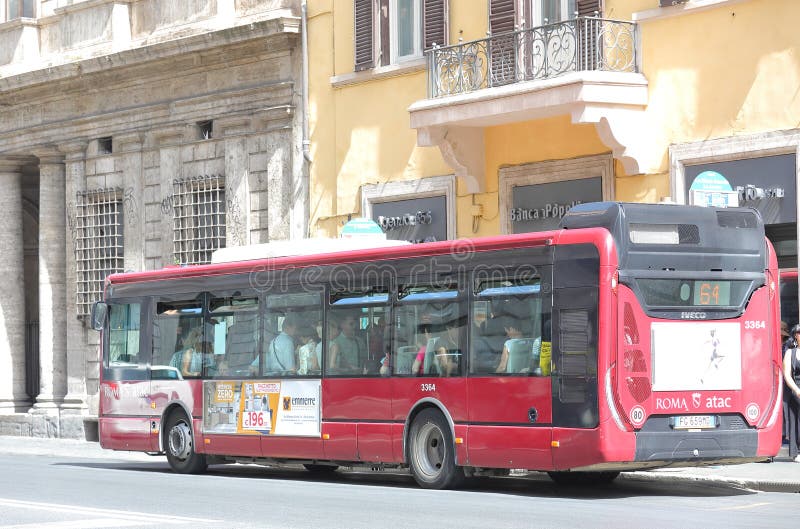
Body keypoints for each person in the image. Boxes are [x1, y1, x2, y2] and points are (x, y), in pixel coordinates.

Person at [783, 324, 800, 461]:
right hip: (796, 390)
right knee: (797, 421)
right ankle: (797, 452)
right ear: (795, 336)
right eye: (799, 333)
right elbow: (787, 375)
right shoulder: (790, 352)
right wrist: (796, 390)